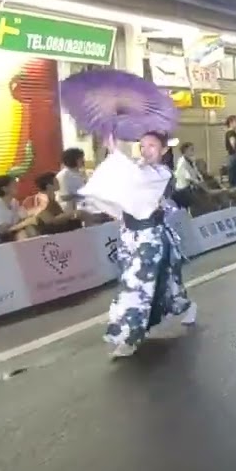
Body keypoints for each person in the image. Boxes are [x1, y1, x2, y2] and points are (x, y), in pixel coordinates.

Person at [86, 132, 196, 359]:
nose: (146, 150)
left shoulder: (162, 173)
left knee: (136, 287)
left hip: (150, 237)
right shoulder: (137, 168)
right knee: (162, 283)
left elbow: (137, 183)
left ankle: (129, 337)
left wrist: (117, 153)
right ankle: (184, 305)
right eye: (142, 145)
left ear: (164, 150)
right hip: (129, 235)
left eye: (152, 146)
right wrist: (113, 151)